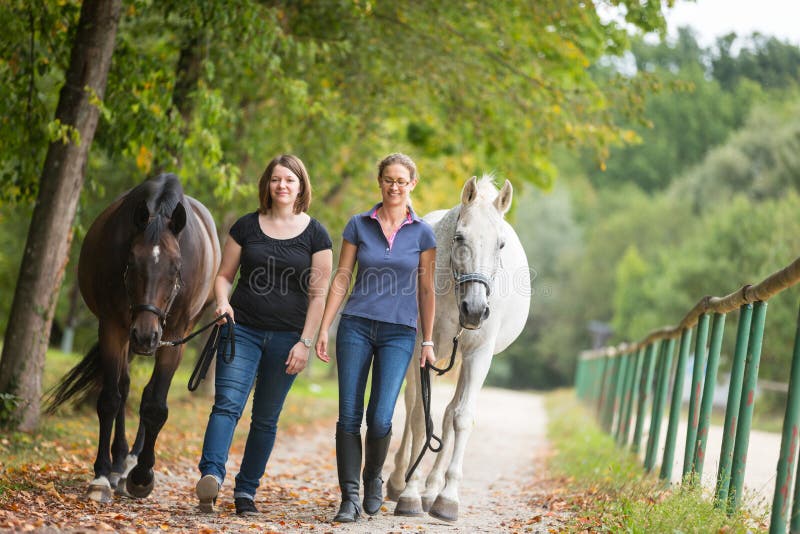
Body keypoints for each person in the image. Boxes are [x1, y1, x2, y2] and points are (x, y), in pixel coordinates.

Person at [195, 154, 333, 515]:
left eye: (289, 179)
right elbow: (224, 276)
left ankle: (246, 492)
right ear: (266, 185)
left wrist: (305, 343)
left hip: (288, 340)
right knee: (227, 405)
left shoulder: (317, 234)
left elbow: (319, 295)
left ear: (301, 186)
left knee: (266, 419)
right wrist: (222, 303)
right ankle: (211, 477)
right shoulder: (246, 226)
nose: (281, 185)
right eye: (275, 179)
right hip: (241, 331)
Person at [316, 153, 437, 523]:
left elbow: (426, 289)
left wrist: (428, 341)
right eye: (388, 179)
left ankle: (372, 477)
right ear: (380, 182)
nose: (394, 187)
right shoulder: (359, 224)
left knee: (381, 417)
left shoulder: (423, 233)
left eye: (401, 181)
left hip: (399, 332)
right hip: (355, 326)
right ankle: (349, 497)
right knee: (348, 416)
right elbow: (342, 277)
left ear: (412, 184)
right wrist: (324, 327)